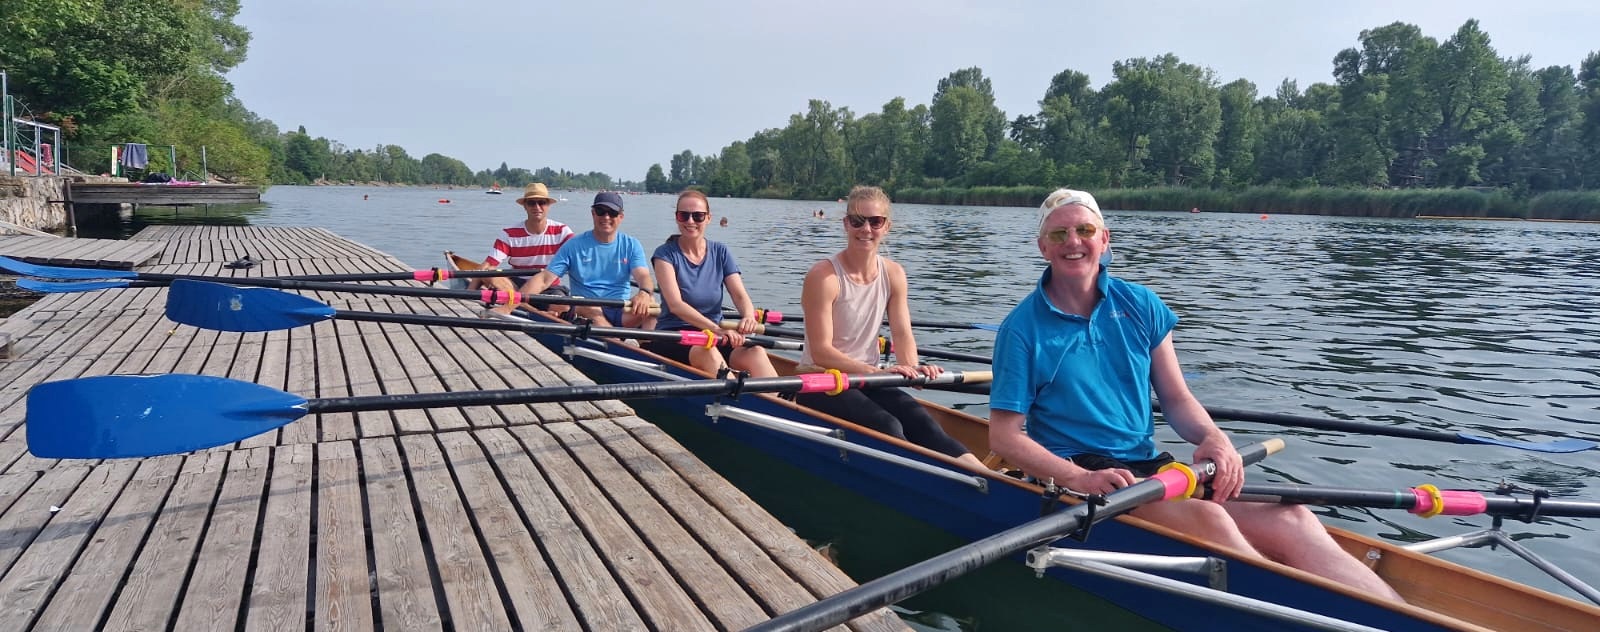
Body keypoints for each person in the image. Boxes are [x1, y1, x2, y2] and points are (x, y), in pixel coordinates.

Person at [988, 188, 1404, 603]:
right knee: (1211, 521)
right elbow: (1005, 438)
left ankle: (1395, 614)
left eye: (1084, 230)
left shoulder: (1141, 305)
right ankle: (1293, 610)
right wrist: (1078, 477)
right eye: (1059, 235)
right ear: (1043, 247)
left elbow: (1176, 399)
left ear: (1105, 238)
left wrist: (1213, 438)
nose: (1073, 243)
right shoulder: (1021, 329)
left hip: (1145, 466)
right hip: (1082, 475)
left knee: (1292, 518)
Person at [796, 185, 983, 469]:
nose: (866, 229)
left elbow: (902, 332)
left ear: (887, 226)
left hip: (868, 380)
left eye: (875, 221)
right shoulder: (823, 276)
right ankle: (926, 480)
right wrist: (879, 372)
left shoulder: (894, 273)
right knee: (887, 424)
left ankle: (990, 479)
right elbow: (821, 352)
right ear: (846, 224)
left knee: (922, 421)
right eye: (857, 221)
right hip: (820, 382)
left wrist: (912, 368)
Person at [645, 190, 777, 377]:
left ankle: (780, 402)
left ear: (708, 218)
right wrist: (715, 329)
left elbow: (739, 295)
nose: (690, 221)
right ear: (677, 218)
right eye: (684, 215)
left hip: (714, 335)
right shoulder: (664, 255)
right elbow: (676, 305)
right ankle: (741, 400)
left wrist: (748, 316)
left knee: (756, 352)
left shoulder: (721, 252)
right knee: (708, 351)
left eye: (698, 216)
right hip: (674, 336)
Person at [522, 192, 655, 329]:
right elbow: (544, 279)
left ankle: (646, 345)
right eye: (600, 211)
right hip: (585, 311)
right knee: (590, 308)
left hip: (619, 309)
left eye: (612, 213)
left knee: (650, 303)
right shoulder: (573, 246)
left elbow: (643, 276)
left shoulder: (631, 245)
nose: (606, 217)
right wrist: (516, 300)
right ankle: (620, 343)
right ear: (593, 213)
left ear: (621, 217)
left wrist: (644, 292)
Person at [475, 182, 575, 315]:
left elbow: (578, 261)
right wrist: (468, 295)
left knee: (563, 307)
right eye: (532, 203)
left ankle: (517, 307)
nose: (537, 207)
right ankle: (537, 313)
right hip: (516, 285)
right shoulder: (510, 233)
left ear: (548, 205)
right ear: (525, 206)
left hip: (548, 287)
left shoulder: (562, 232)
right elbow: (486, 266)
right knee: (490, 273)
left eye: (542, 202)